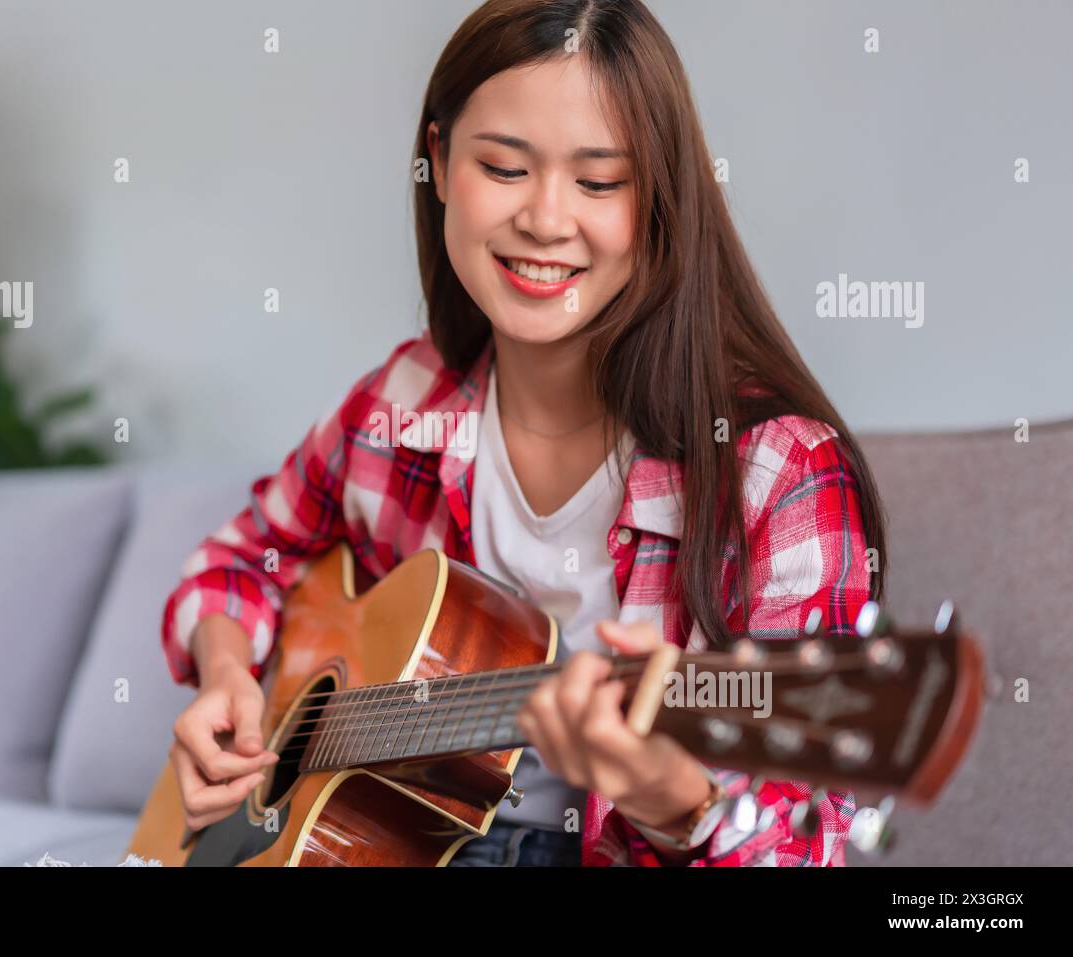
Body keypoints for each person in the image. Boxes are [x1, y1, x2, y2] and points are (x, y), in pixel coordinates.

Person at [160, 0, 885, 867]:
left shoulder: (781, 472)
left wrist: (676, 798)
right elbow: (240, 558)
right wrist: (228, 673)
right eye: (504, 167)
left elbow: (813, 845)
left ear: (659, 199)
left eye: (599, 181)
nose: (545, 219)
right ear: (437, 160)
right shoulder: (400, 404)